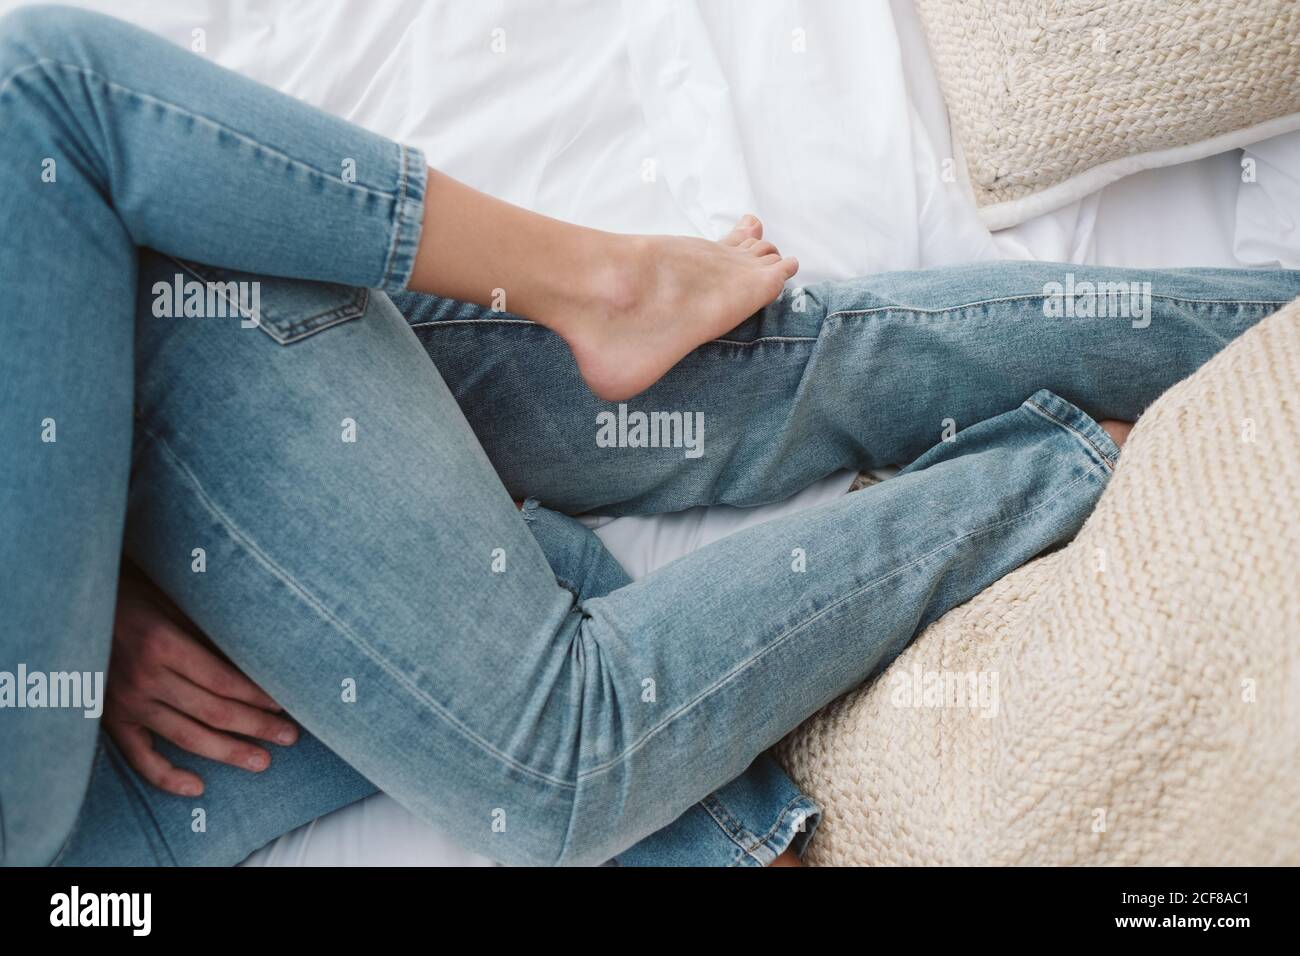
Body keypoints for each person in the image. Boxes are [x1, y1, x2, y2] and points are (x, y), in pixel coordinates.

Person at [3, 6, 1296, 867]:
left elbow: (36, 89)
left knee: (560, 757)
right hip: (106, 725)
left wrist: (61, 576)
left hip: (142, 302)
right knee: (725, 401)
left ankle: (620, 291)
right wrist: (74, 572)